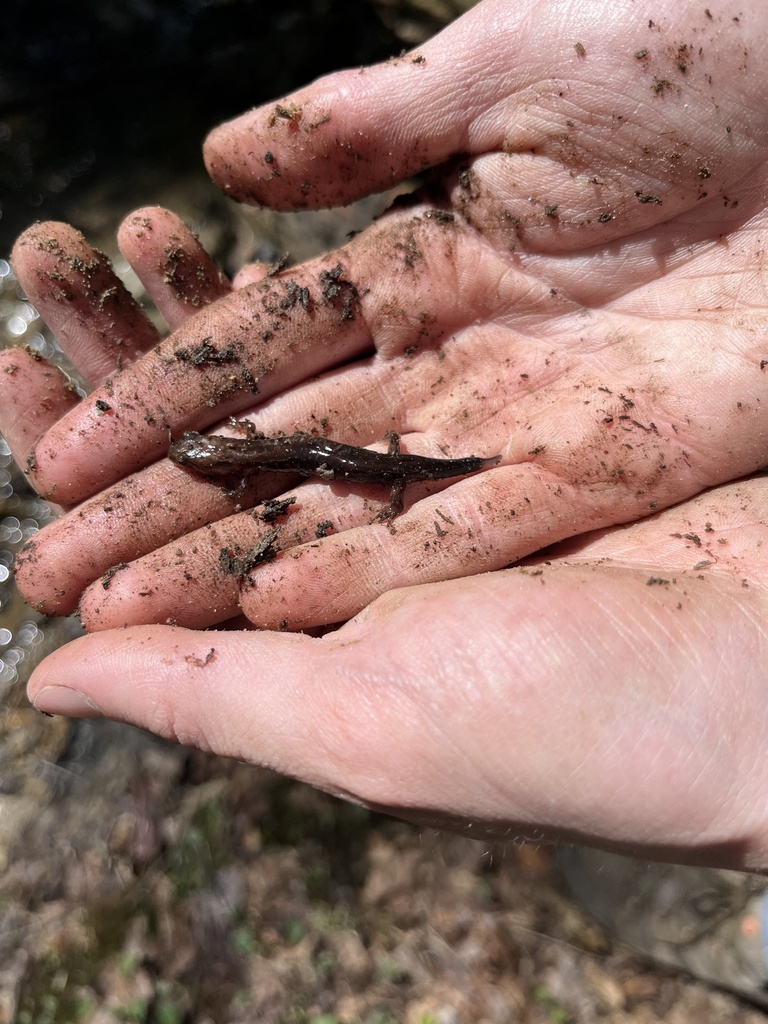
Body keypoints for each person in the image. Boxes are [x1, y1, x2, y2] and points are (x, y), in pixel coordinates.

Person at [3, 0, 768, 873]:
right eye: (199, 457)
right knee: (362, 466)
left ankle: (468, 463)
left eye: (199, 453)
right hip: (362, 462)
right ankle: (464, 464)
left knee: (389, 468)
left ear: (217, 456)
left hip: (376, 466)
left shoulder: (241, 466)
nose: (199, 455)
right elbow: (259, 459)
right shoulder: (237, 458)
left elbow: (261, 465)